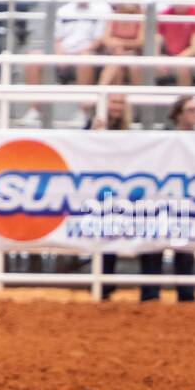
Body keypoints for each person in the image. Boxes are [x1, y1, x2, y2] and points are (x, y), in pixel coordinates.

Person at [19, 0, 108, 121]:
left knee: (85, 58)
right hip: (64, 54)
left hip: (89, 55)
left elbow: (99, 41)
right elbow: (57, 40)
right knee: (33, 58)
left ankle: (83, 112)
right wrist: (60, 53)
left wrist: (80, 53)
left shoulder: (102, 8)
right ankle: (34, 110)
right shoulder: (63, 10)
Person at [138, 96, 195, 303]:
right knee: (154, 245)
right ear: (179, 114)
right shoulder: (163, 137)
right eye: (191, 110)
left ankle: (185, 294)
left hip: (186, 198)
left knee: (184, 248)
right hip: (160, 197)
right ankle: (150, 294)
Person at [87, 93, 134, 300]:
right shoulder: (93, 126)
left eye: (121, 103)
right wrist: (91, 134)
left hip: (119, 190)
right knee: (101, 233)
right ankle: (101, 282)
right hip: (96, 189)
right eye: (114, 102)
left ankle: (106, 282)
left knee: (111, 232)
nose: (117, 107)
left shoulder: (128, 131)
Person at [98, 0, 144, 86]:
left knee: (131, 64)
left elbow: (141, 41)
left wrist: (120, 44)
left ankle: (100, 90)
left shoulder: (141, 16)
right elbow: (105, 37)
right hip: (115, 52)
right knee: (117, 63)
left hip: (135, 53)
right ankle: (109, 96)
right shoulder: (114, 15)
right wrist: (114, 45)